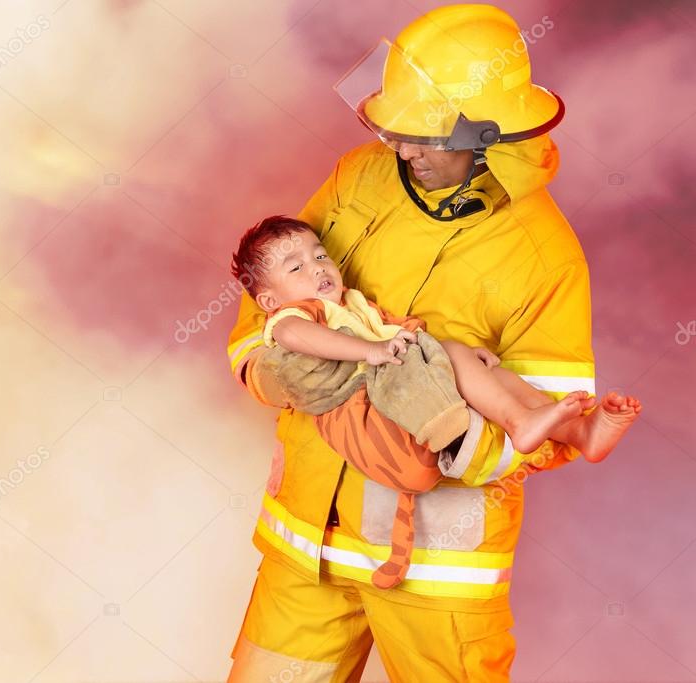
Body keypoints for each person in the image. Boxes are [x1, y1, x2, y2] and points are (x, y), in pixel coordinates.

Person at [225, 5, 628, 681]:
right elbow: (267, 295)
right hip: (305, 548)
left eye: (422, 136)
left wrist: (448, 432)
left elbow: (553, 421)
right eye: (396, 129)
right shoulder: (359, 175)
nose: (402, 150)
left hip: (434, 574)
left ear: (484, 136)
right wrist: (275, 372)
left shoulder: (544, 254)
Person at [230, 215, 640, 589]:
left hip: (393, 396)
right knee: (453, 358)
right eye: (296, 268)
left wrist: (448, 354)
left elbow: (400, 331)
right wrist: (371, 350)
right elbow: (297, 336)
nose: (318, 267)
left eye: (320, 255)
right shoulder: (294, 316)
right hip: (365, 415)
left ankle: (578, 430)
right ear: (269, 301)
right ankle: (520, 422)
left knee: (482, 370)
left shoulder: (351, 304)